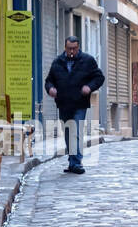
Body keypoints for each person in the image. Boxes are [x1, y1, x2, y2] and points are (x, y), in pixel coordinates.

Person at [45, 35, 105, 173]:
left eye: (74, 48)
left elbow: (99, 77)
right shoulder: (57, 62)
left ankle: (76, 163)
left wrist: (89, 87)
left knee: (76, 132)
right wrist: (51, 89)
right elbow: (49, 81)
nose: (71, 51)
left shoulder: (88, 61)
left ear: (78, 47)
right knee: (68, 133)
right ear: (65, 48)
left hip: (80, 103)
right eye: (69, 48)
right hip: (64, 103)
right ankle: (72, 162)